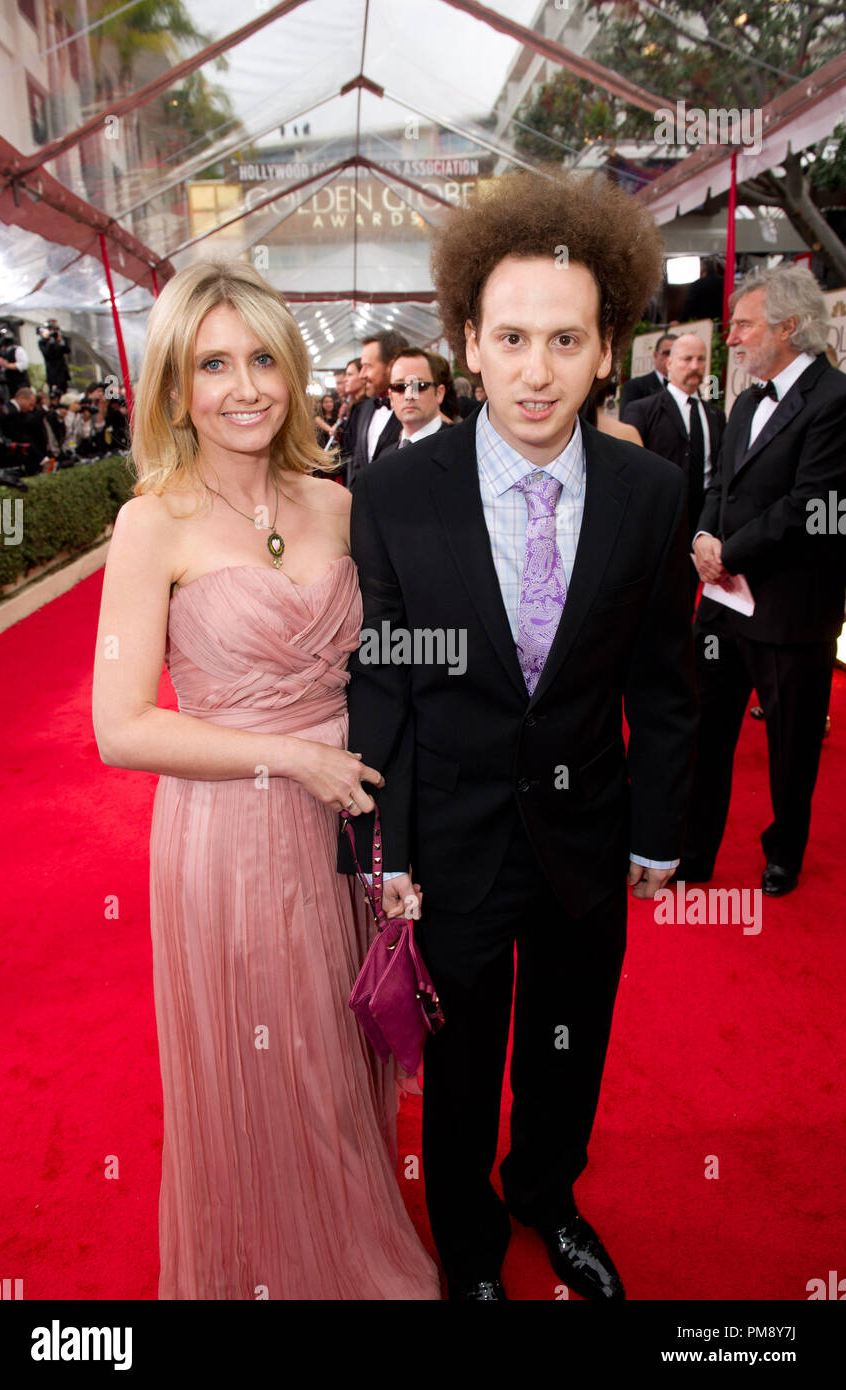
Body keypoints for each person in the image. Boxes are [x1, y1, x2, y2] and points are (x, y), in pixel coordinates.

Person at [338, 169, 698, 1301]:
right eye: (510, 337)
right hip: (450, 840)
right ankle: (472, 1250)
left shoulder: (649, 492)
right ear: (468, 345)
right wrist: (387, 851)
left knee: (567, 1044)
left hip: (586, 834)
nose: (535, 368)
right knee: (460, 1068)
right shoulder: (398, 493)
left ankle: (546, 1193)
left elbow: (666, 680)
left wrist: (656, 833)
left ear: (606, 352)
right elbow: (384, 678)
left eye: (565, 338)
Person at [91, 257, 440, 1301]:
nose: (242, 386)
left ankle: (342, 1228)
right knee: (265, 1062)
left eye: (260, 360)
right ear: (174, 388)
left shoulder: (341, 505)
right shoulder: (152, 521)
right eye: (211, 364)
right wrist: (292, 755)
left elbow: (391, 677)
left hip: (350, 821)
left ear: (292, 374)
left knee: (344, 1051)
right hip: (230, 831)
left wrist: (401, 838)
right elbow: (119, 727)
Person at [681, 263, 846, 897]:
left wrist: (730, 552)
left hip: (790, 609)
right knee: (705, 734)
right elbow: (719, 487)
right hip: (723, 607)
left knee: (792, 745)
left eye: (744, 325)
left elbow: (810, 505)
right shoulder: (746, 400)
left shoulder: (835, 400)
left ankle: (785, 852)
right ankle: (694, 852)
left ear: (790, 326)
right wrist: (701, 539)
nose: (733, 339)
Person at [622, 332, 725, 599]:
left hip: (703, 527)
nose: (695, 366)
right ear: (669, 363)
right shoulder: (642, 410)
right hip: (656, 525)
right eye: (687, 358)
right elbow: (630, 470)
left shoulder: (716, 416)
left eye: (701, 359)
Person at [348, 330, 406, 484]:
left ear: (392, 365)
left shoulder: (414, 411)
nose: (362, 375)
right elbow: (356, 464)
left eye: (367, 366)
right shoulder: (364, 408)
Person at [387, 347, 452, 448]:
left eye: (419, 386)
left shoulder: (461, 446)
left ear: (439, 393)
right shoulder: (385, 456)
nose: (409, 395)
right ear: (391, 397)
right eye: (399, 387)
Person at [618, 332, 675, 418]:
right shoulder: (634, 386)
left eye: (676, 354)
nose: (671, 358)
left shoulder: (689, 390)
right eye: (666, 353)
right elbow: (626, 422)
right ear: (655, 355)